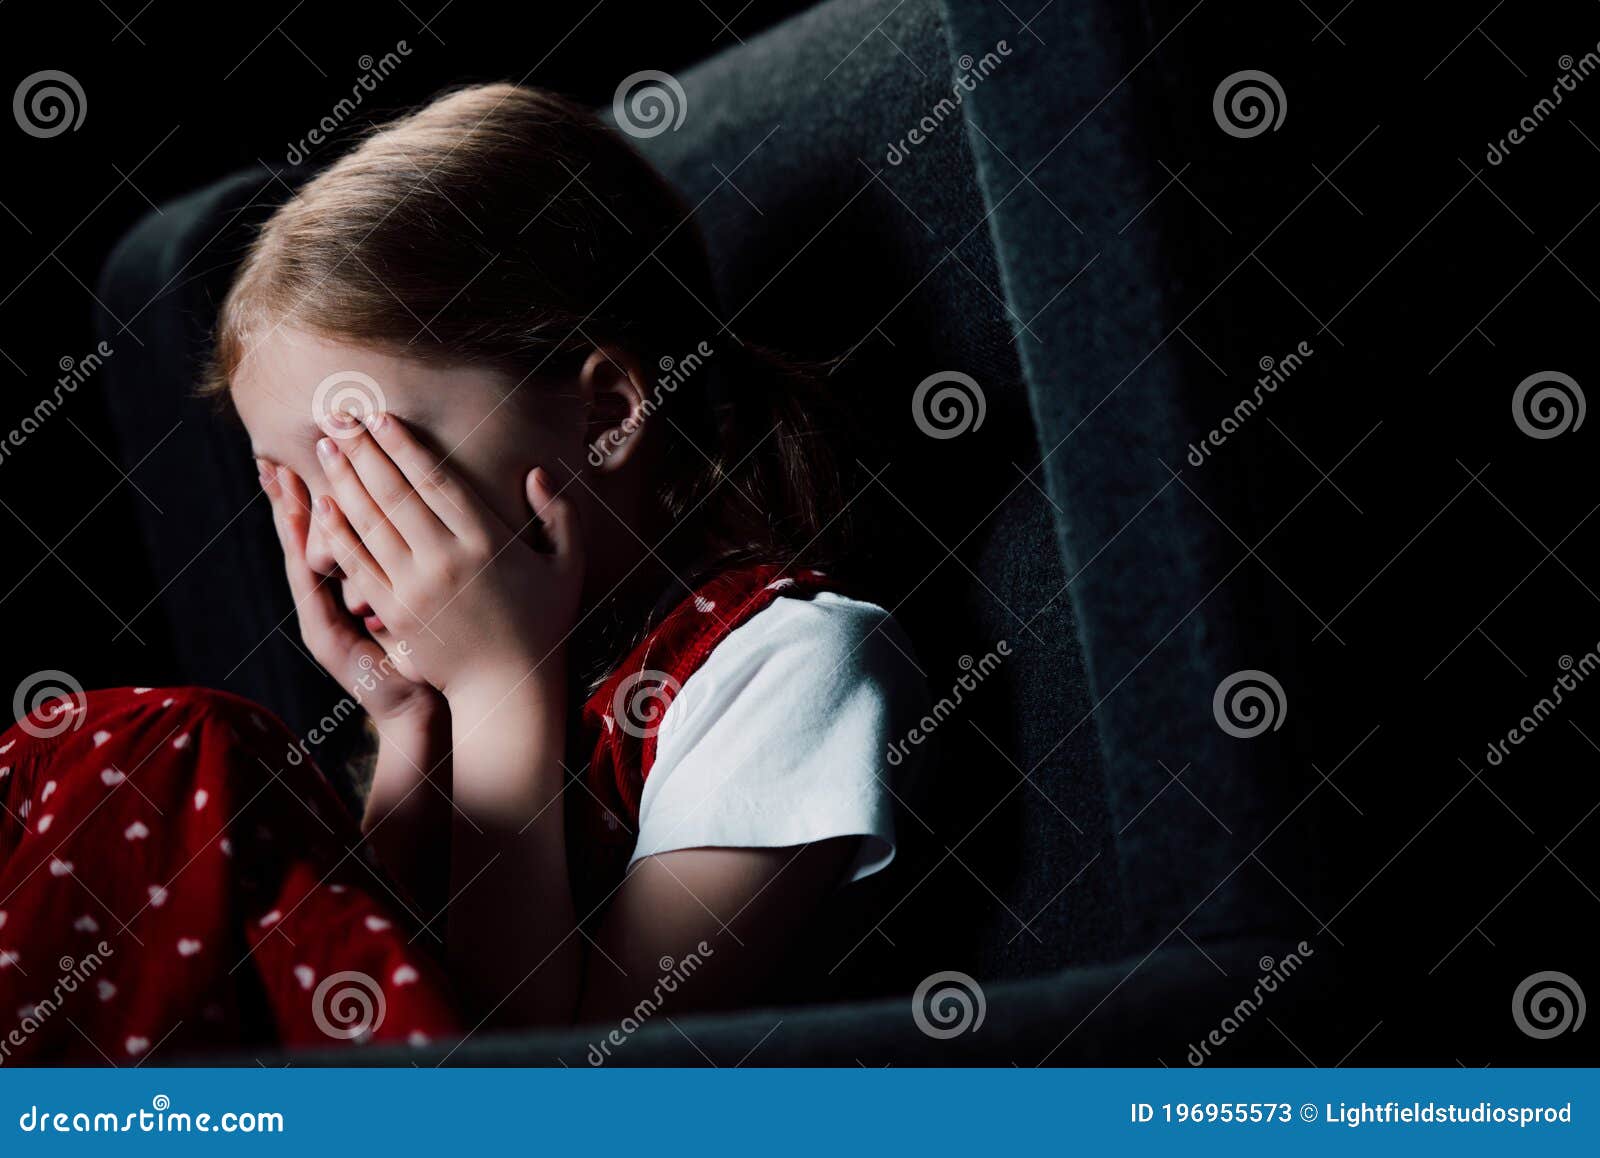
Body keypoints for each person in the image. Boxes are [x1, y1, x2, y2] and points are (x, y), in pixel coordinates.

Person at [0, 83, 926, 1060]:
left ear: (607, 413)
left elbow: (536, 1080)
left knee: (172, 744)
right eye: (294, 491)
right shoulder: (465, 696)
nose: (321, 547)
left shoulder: (791, 667)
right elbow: (366, 993)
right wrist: (405, 723)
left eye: (366, 463)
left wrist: (498, 687)